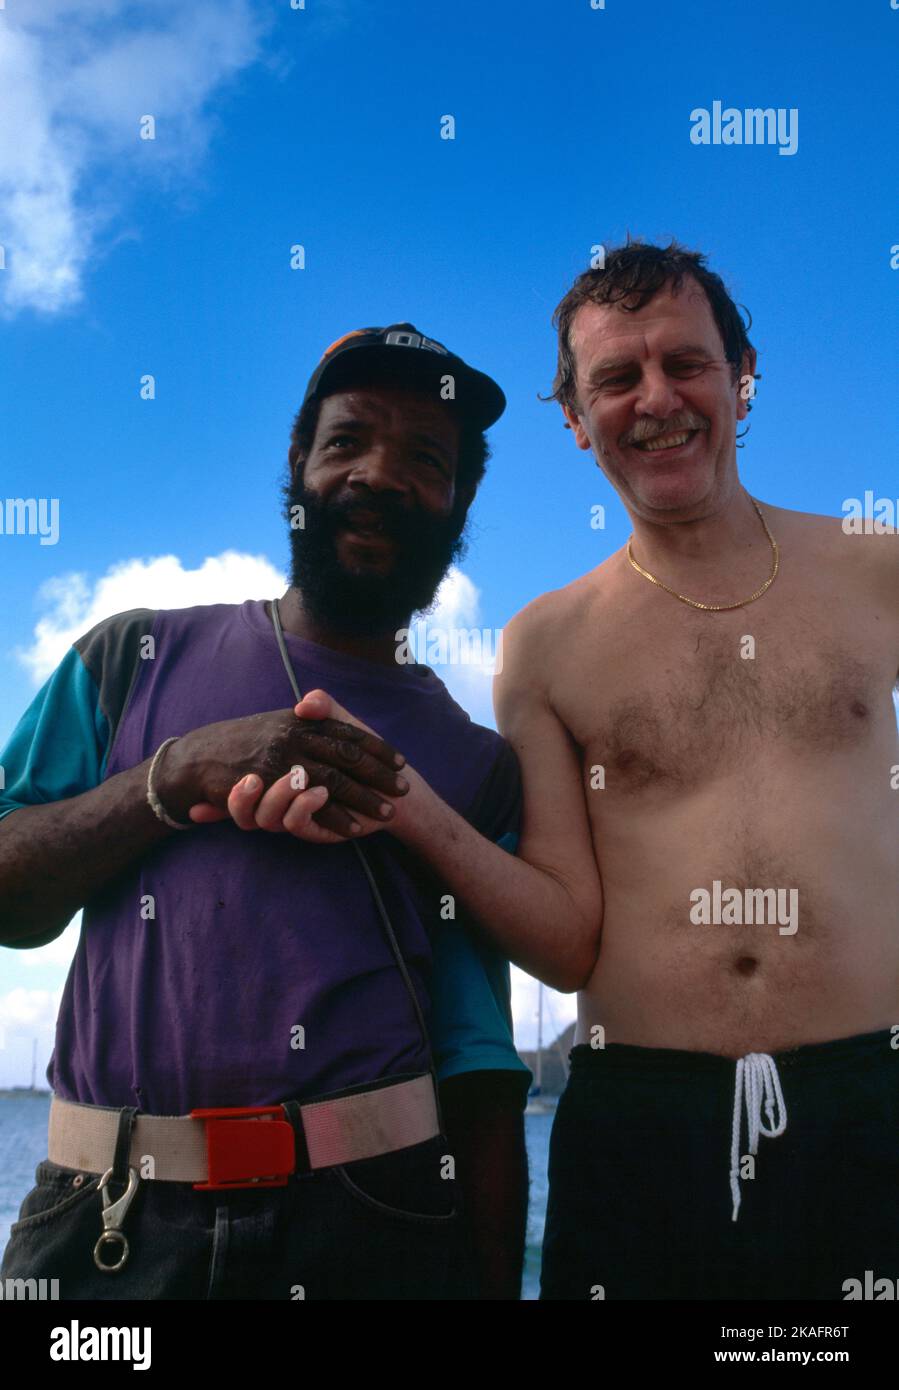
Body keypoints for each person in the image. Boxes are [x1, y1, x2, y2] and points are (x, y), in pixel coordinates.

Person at [270, 244, 898, 1301]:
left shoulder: (875, 568)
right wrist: (403, 802)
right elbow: (564, 940)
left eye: (685, 364)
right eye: (614, 378)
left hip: (869, 1096)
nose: (655, 400)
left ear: (740, 375)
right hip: (637, 1119)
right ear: (573, 415)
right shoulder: (544, 642)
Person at [0, 322, 534, 1301]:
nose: (378, 474)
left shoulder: (476, 765)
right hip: (101, 1224)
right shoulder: (127, 656)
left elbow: (480, 1072)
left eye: (426, 457)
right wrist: (177, 776)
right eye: (345, 442)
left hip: (379, 1225)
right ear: (296, 465)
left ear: (459, 504)